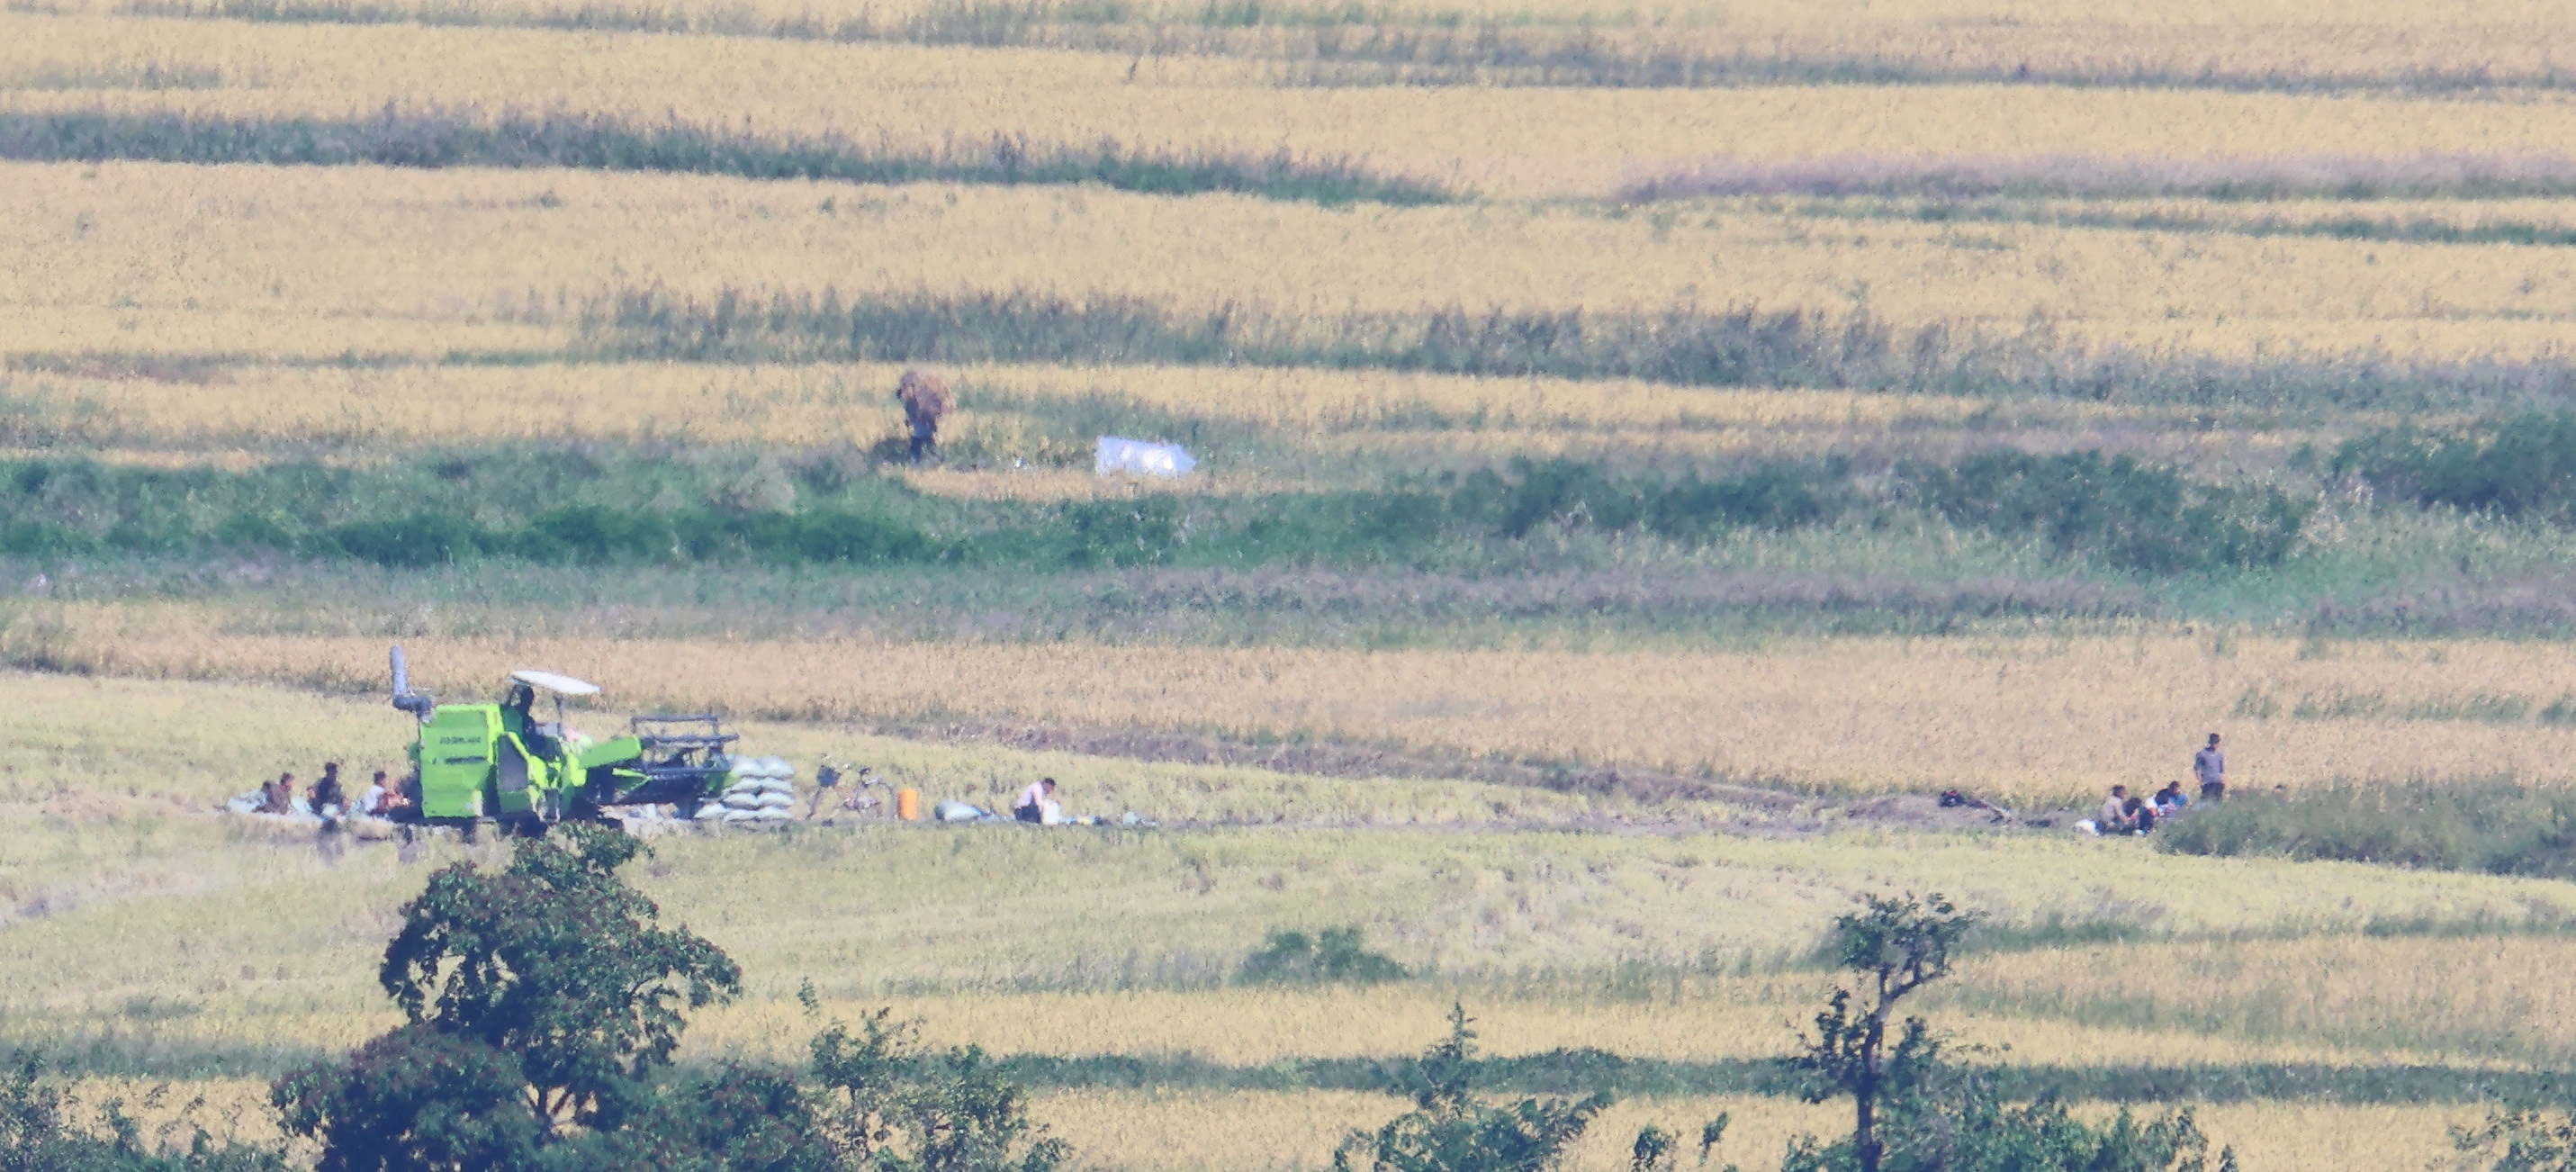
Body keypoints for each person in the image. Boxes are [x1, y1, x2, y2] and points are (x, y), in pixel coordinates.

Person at [2193, 733, 2227, 802]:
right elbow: (2198, 769)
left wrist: (2223, 781)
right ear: (2210, 742)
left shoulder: (2220, 755)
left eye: (2216, 742)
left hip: (2218, 783)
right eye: (2213, 742)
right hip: (2207, 783)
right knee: (2205, 801)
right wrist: (2200, 782)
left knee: (2218, 802)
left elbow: (2222, 770)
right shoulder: (2202, 754)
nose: (2214, 745)